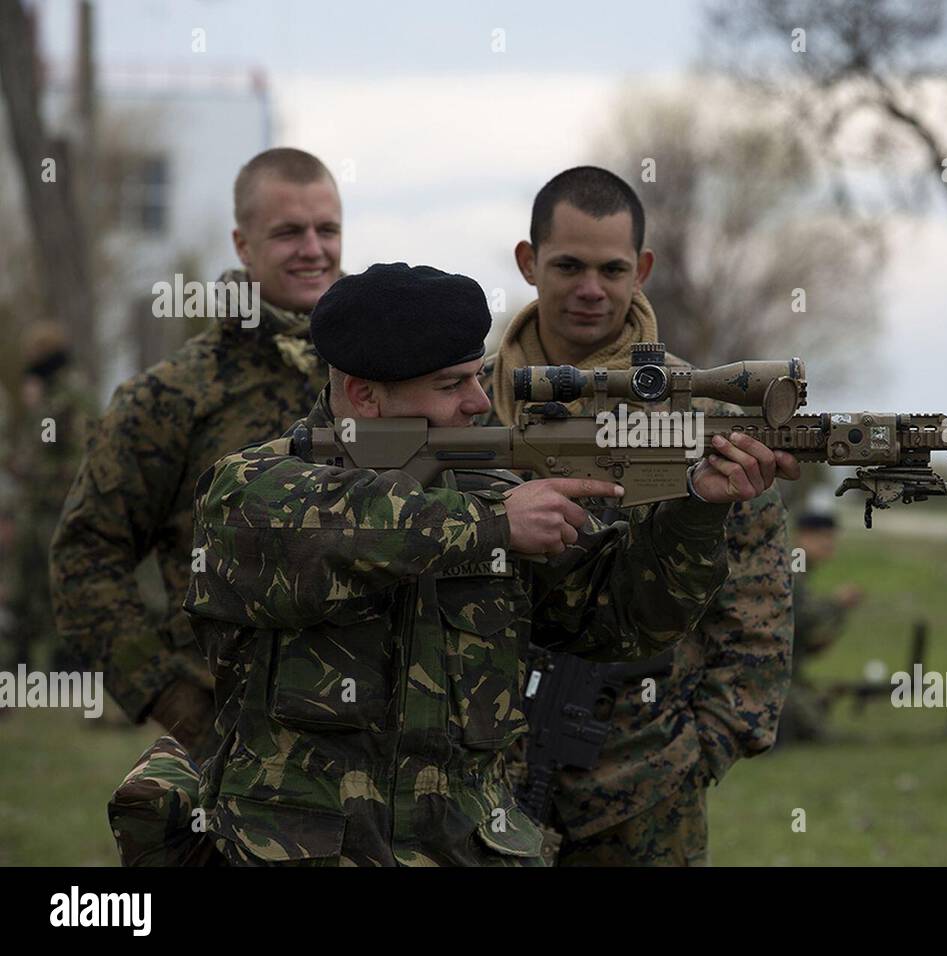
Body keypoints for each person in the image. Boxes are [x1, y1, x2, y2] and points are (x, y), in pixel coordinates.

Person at [181, 261, 798, 866]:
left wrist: (696, 507)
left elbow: (622, 619)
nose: (480, 402)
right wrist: (497, 526)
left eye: (478, 376)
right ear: (364, 395)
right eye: (451, 385)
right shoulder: (251, 489)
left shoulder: (487, 486)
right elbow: (327, 532)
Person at [481, 166, 794, 866]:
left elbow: (758, 608)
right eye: (567, 265)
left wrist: (697, 751)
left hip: (641, 792)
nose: (590, 289)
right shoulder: (468, 401)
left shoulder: (703, 417)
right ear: (528, 263)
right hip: (477, 786)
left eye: (611, 268)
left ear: (642, 270)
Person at [50, 148, 339, 760]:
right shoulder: (171, 397)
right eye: (289, 232)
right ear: (243, 243)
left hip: (376, 747)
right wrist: (168, 697)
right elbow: (86, 555)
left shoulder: (380, 381)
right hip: (237, 748)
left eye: (327, 229)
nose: (313, 249)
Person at [2, 323, 95, 675]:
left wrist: (35, 475)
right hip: (36, 509)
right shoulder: (46, 396)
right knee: (27, 587)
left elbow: (82, 456)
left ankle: (67, 662)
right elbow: (39, 449)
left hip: (60, 509)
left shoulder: (70, 396)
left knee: (61, 584)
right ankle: (20, 662)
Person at [777, 512, 864, 744]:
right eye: (822, 537)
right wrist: (837, 604)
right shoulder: (793, 564)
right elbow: (799, 615)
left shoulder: (799, 565)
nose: (829, 544)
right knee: (811, 725)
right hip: (772, 675)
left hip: (786, 671)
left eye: (832, 537)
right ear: (802, 537)